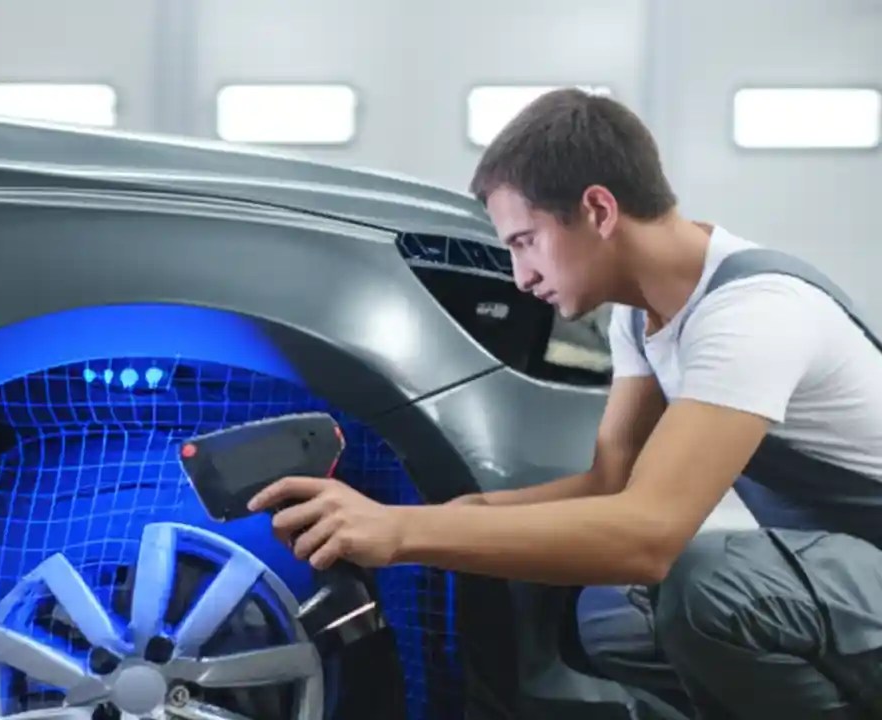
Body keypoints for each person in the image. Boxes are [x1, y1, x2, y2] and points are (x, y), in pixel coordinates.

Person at [248, 88, 882, 718]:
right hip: (853, 578)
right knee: (610, 615)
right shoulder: (642, 319)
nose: (520, 276)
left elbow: (647, 536)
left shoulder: (752, 312)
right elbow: (612, 484)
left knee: (714, 587)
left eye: (525, 241)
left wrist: (402, 533)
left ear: (599, 210)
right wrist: (450, 512)